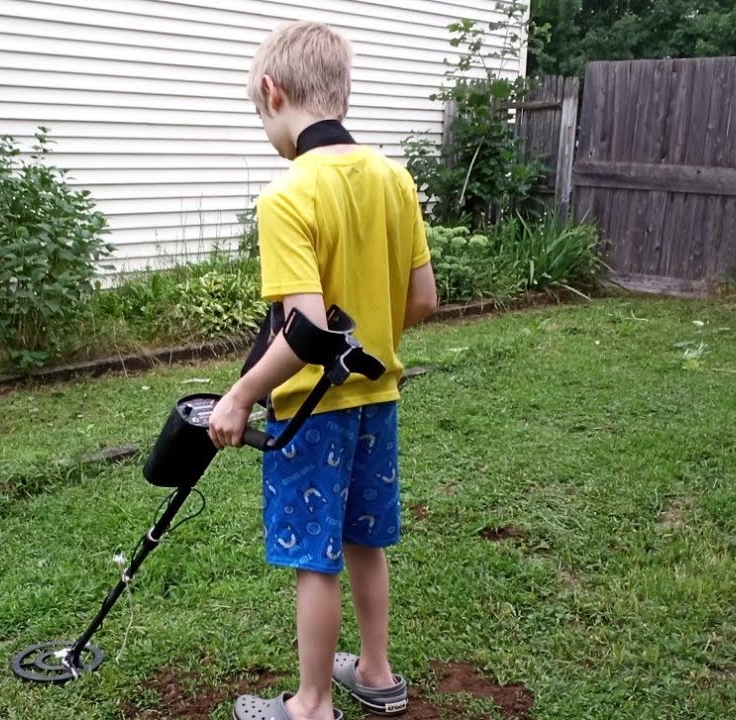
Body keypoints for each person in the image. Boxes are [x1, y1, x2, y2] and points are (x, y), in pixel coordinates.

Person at [206, 19, 439, 720]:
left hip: (313, 409)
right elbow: (423, 299)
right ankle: (374, 670)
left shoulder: (288, 194)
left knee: (316, 556)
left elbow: (306, 330)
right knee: (366, 536)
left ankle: (309, 705)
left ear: (273, 93)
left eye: (260, 114)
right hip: (380, 397)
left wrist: (242, 394)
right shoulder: (394, 178)